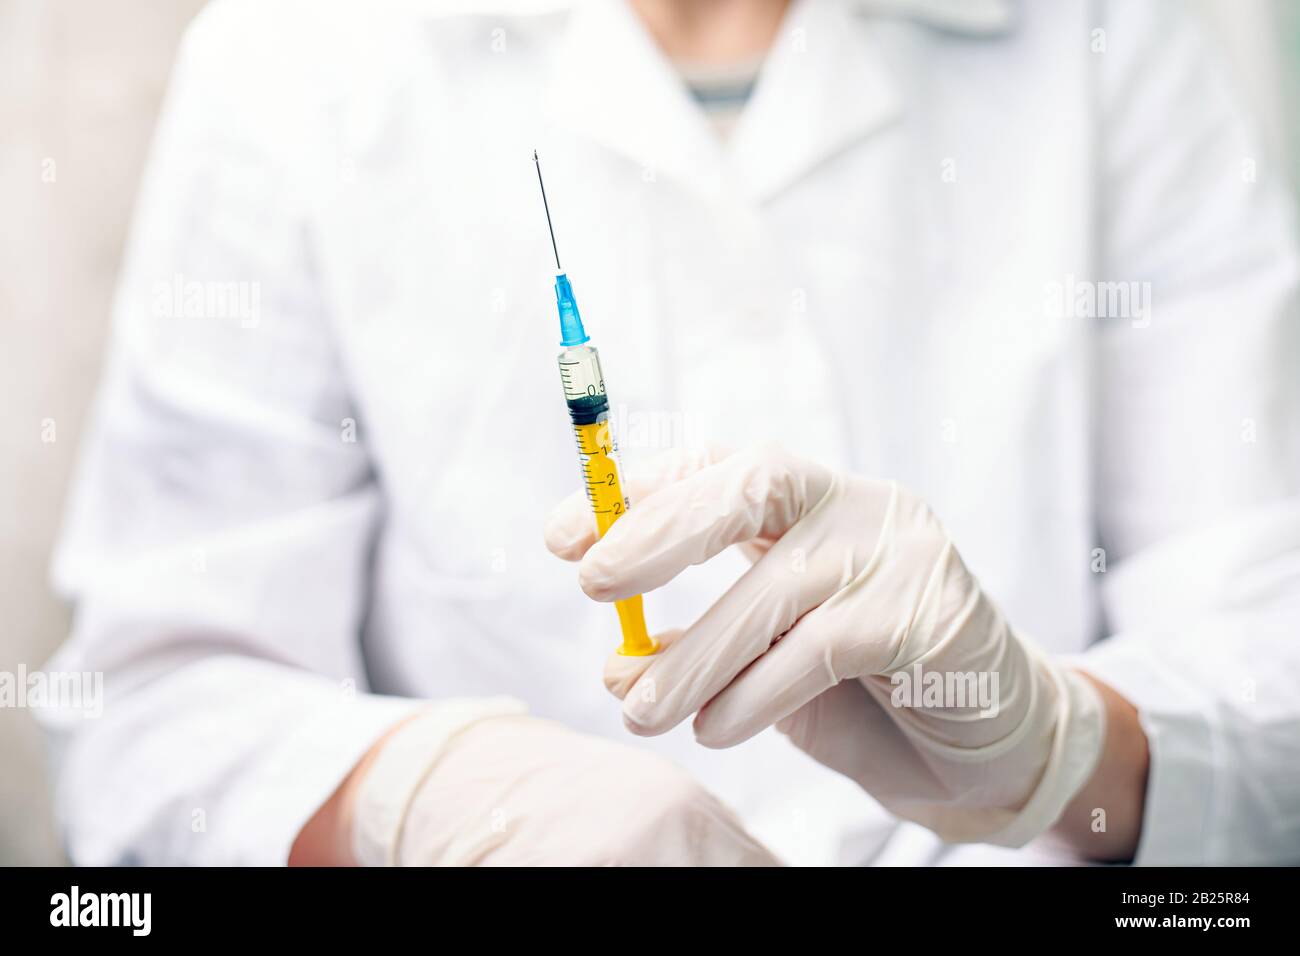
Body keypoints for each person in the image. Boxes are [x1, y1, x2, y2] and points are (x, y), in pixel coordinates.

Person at [41, 0, 1300, 866]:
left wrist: (1065, 747)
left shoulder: (1107, 33)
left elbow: (1271, 682)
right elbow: (145, 715)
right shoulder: (301, 57)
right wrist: (423, 789)